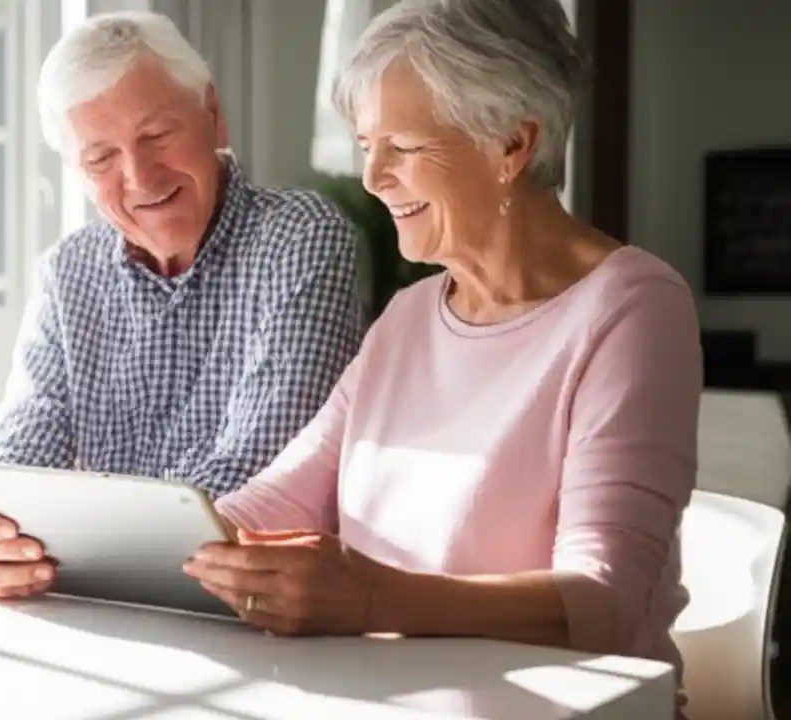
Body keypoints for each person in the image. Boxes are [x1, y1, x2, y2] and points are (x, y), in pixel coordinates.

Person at [184, 0, 701, 700]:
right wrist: (62, 543)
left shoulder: (632, 308)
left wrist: (373, 601)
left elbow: (604, 602)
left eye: (403, 145)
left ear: (511, 146)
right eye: (366, 145)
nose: (373, 177)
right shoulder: (409, 317)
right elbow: (272, 504)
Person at [0, 12, 365, 599]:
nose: (139, 177)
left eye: (158, 135)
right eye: (101, 159)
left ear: (213, 115)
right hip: (99, 612)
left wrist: (60, 532)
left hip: (254, 617)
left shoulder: (301, 238)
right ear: (77, 172)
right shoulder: (69, 272)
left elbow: (254, 481)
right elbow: (6, 467)